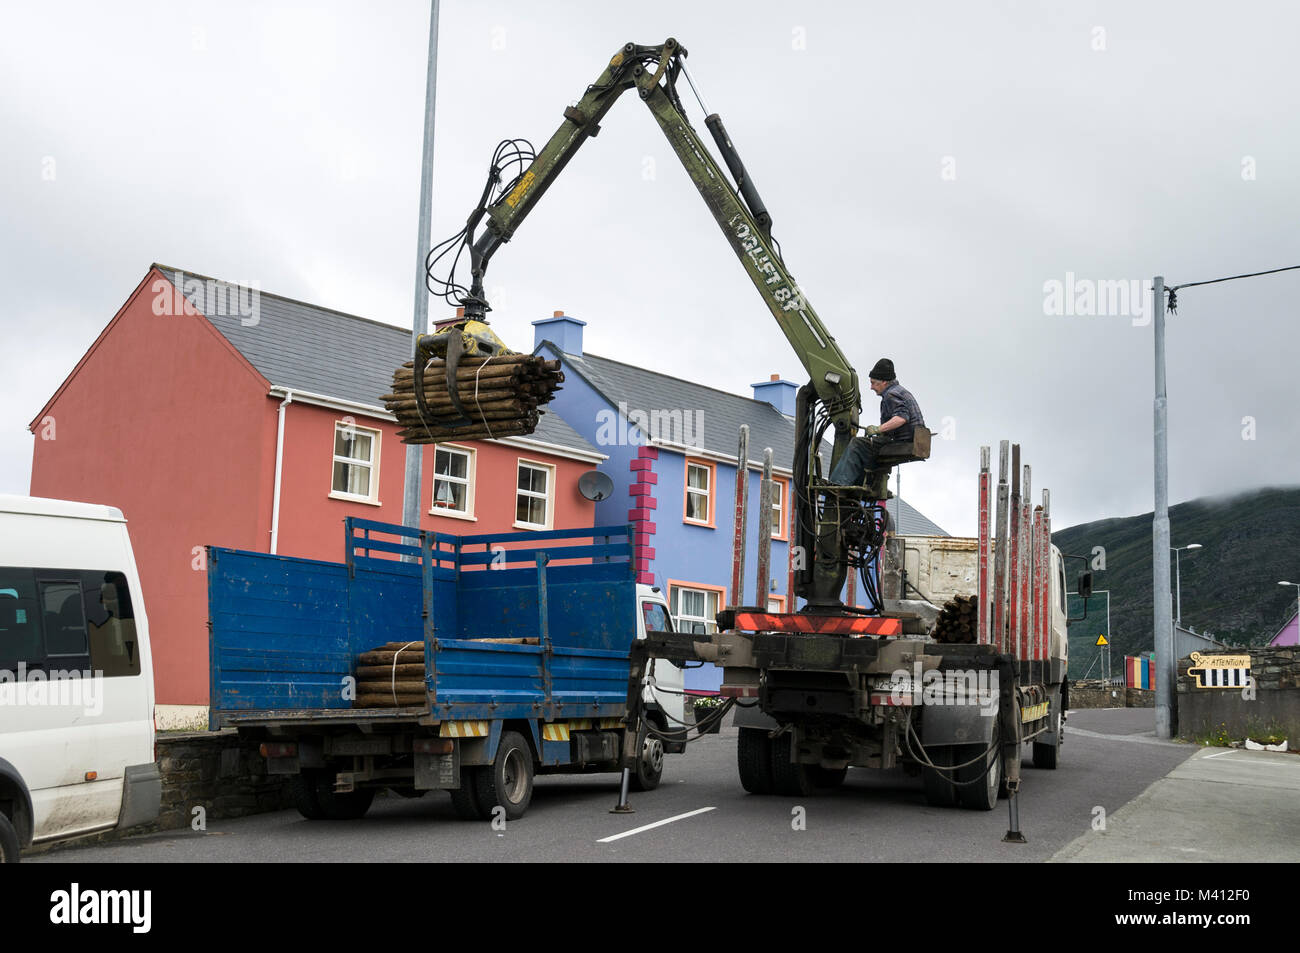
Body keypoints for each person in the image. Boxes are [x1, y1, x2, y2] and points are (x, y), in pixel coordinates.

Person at [827, 358, 925, 488]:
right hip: (909, 438)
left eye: (873, 383)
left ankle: (837, 484)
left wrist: (878, 429)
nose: (871, 387)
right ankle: (862, 484)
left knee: (857, 444)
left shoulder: (891, 394)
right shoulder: (900, 391)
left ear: (884, 382)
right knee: (869, 447)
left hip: (901, 441)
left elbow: (902, 417)